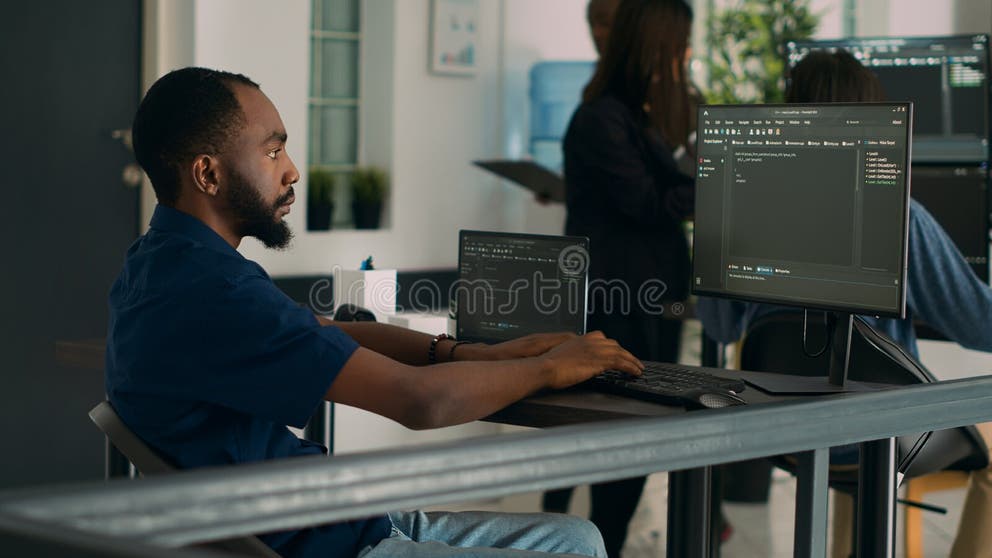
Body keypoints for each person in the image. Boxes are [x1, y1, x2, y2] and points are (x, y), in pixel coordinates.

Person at [107, 66, 647, 558]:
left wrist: (469, 351)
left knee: (580, 537)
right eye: (273, 152)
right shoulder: (216, 290)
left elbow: (322, 330)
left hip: (335, 518)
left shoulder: (161, 264)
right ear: (208, 173)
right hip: (324, 547)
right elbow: (420, 403)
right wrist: (549, 368)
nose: (292, 171)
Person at [696, 50, 992, 558]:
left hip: (783, 428)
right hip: (878, 430)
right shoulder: (900, 216)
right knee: (875, 408)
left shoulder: (748, 208)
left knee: (856, 415)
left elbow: (720, 327)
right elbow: (980, 327)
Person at [543, 1, 696, 556]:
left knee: (633, 436)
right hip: (619, 298)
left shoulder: (647, 112)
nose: (688, 54)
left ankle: (589, 540)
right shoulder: (602, 117)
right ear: (654, 45)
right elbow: (645, 202)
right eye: (680, 42)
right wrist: (720, 181)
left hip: (651, 295)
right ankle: (583, 542)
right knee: (618, 437)